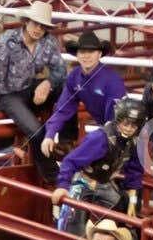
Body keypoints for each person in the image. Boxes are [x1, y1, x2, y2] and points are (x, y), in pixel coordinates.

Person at [0, 0, 66, 185]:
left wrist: (47, 83)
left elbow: (60, 70)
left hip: (29, 89)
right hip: (8, 95)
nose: (38, 29)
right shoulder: (7, 41)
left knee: (67, 86)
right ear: (26, 21)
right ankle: (54, 177)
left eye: (43, 26)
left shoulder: (48, 42)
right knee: (36, 131)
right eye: (35, 23)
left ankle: (67, 138)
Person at [52, 97, 146, 227]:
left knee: (123, 212)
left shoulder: (134, 143)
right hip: (82, 182)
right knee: (71, 220)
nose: (129, 129)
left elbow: (134, 172)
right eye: (126, 124)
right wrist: (63, 185)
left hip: (105, 183)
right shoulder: (100, 138)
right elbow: (70, 161)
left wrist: (133, 201)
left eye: (134, 125)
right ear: (118, 120)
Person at [41, 31, 128, 162]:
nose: (86, 56)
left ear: (99, 54)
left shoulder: (112, 80)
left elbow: (117, 117)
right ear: (77, 54)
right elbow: (63, 107)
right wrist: (50, 134)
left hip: (122, 131)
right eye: (82, 52)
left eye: (91, 52)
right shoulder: (74, 77)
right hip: (107, 131)